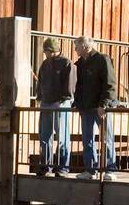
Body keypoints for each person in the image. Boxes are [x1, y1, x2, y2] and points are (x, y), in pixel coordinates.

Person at [73, 37, 118, 180]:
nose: (75, 50)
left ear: (85, 47)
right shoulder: (79, 64)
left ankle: (110, 169)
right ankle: (90, 170)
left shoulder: (102, 60)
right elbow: (78, 87)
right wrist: (77, 103)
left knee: (106, 138)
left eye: (77, 47)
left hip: (100, 107)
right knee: (87, 139)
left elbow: (110, 84)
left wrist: (104, 104)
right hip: (85, 108)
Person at [35, 37, 73, 175]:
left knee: (62, 136)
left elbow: (69, 84)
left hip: (60, 103)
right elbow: (40, 81)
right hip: (46, 102)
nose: (45, 53)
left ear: (52, 50)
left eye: (46, 51)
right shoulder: (45, 64)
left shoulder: (66, 63)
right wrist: (39, 96)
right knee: (44, 137)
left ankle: (63, 167)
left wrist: (65, 98)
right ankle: (46, 166)